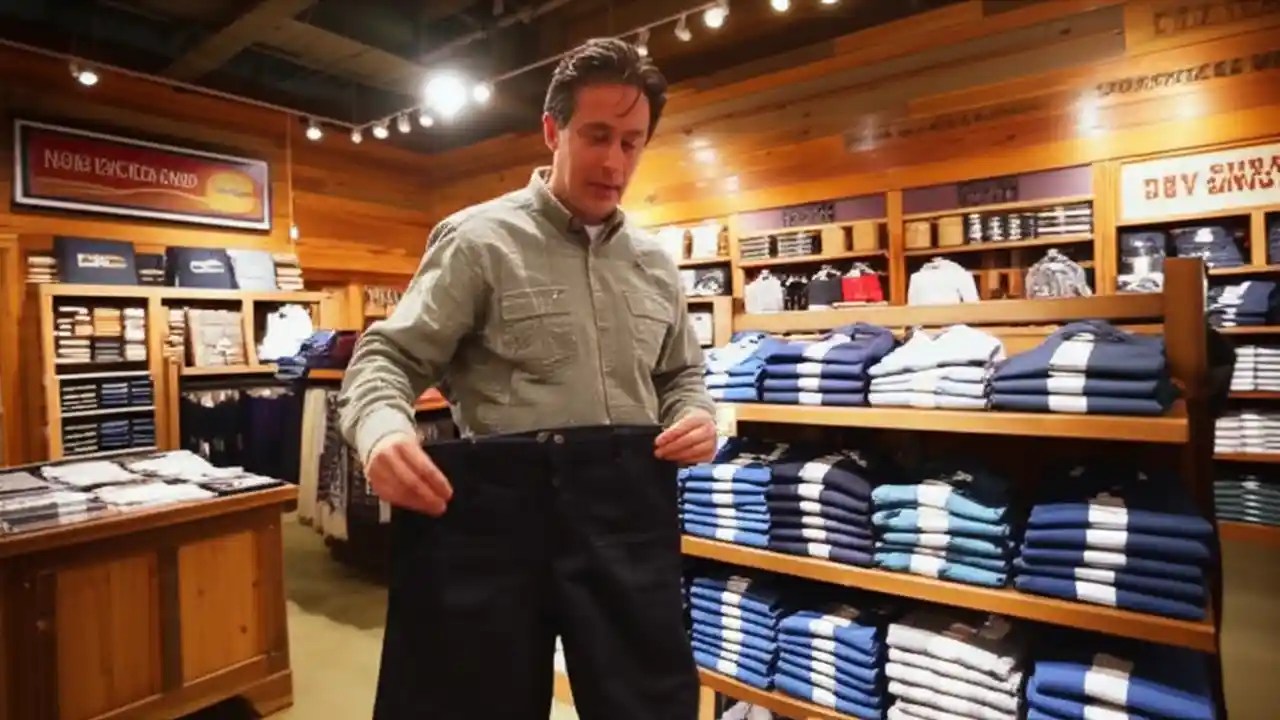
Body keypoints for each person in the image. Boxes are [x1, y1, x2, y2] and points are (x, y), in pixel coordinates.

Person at [338, 38, 716, 719]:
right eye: (597, 135)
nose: (614, 161)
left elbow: (683, 374)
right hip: (498, 517)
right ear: (553, 130)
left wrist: (697, 413)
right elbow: (386, 358)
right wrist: (380, 433)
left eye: (632, 142)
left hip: (625, 508)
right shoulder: (477, 242)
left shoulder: (656, 265)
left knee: (649, 707)